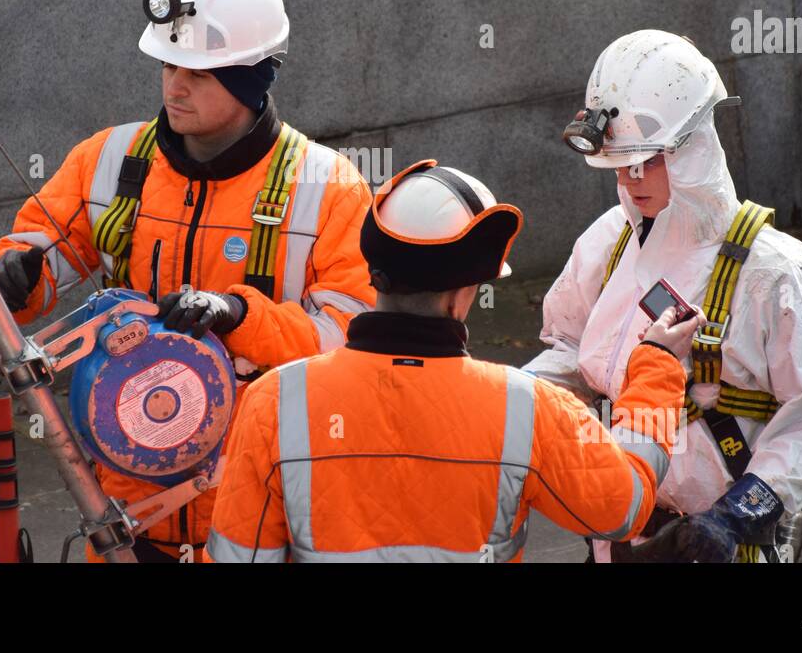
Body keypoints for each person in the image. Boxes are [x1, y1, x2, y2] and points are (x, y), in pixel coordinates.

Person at [0, 0, 374, 562]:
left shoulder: (327, 188)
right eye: (169, 62)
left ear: (252, 77)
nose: (174, 84)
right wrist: (16, 273)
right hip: (123, 511)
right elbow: (39, 249)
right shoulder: (109, 161)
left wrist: (239, 316)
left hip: (261, 514)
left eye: (198, 71)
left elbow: (352, 339)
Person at [206, 160, 698, 562]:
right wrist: (657, 363)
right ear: (464, 295)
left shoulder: (275, 400)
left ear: (374, 274)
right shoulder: (526, 409)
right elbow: (623, 506)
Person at [529, 29, 802, 563]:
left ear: (693, 150)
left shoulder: (774, 271)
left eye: (647, 160)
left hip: (723, 546)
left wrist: (738, 513)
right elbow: (567, 350)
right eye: (620, 163)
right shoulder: (610, 242)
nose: (631, 179)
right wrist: (502, 401)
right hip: (620, 536)